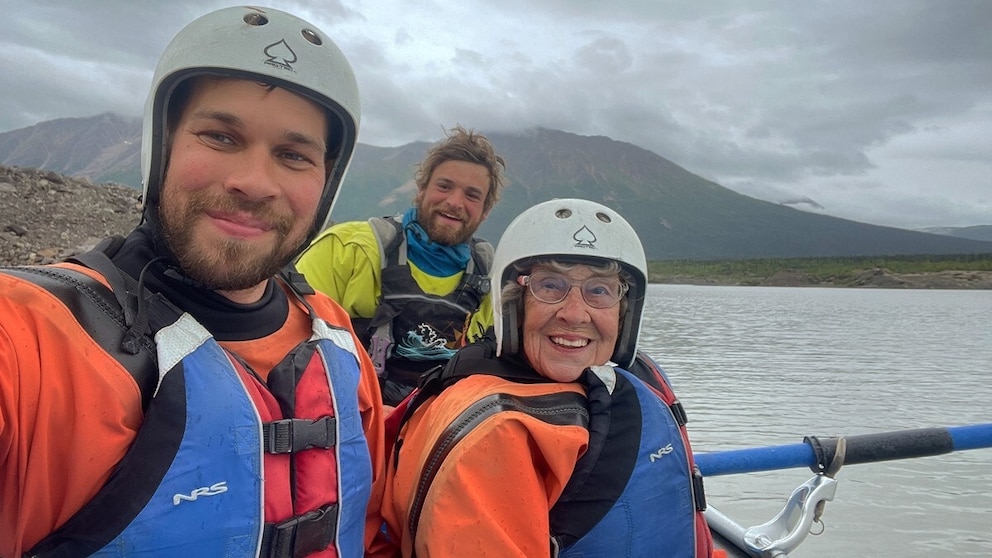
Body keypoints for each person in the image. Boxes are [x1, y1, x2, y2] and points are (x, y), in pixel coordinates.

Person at [0, 7, 385, 557]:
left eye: (294, 155)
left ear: (326, 183)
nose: (254, 184)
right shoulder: (28, 330)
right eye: (221, 137)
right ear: (163, 146)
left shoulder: (337, 337)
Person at [375, 199, 715, 557]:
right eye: (550, 285)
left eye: (599, 290)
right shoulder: (498, 434)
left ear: (623, 311)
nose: (574, 314)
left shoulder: (624, 383)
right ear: (514, 303)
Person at [296, 126, 507, 406]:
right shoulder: (346, 249)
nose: (455, 202)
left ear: (486, 210)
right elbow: (290, 343)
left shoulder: (492, 279)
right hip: (345, 418)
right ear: (420, 191)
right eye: (444, 186)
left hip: (438, 429)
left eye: (472, 195)